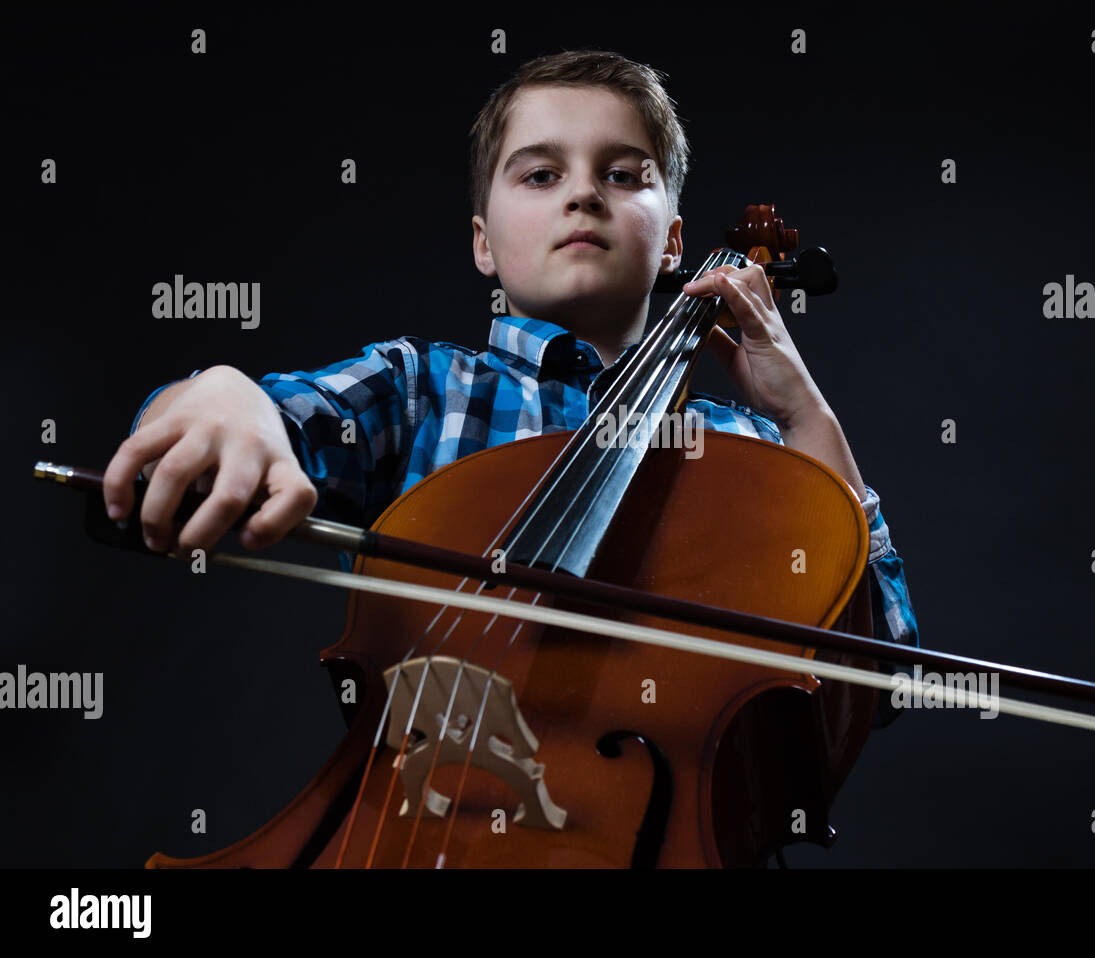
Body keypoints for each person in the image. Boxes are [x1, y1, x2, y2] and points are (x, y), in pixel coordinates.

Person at [102, 50, 919, 700]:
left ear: (672, 243)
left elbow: (874, 669)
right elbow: (262, 419)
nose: (583, 195)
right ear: (483, 242)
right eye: (540, 174)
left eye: (623, 173)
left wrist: (806, 418)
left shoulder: (745, 448)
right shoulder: (422, 389)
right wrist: (222, 396)